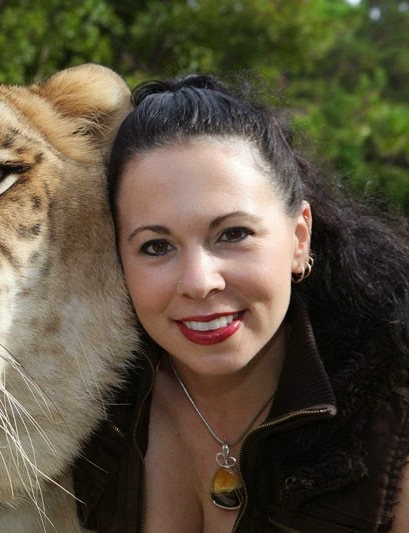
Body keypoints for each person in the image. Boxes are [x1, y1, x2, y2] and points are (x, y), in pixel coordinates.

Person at [73, 74, 409, 532]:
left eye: (233, 234)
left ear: (299, 238)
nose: (198, 282)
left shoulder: (394, 429)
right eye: (156, 246)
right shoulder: (81, 413)